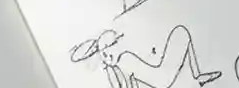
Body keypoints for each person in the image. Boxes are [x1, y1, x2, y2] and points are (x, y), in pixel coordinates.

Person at [70, 26, 223, 88]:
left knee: (181, 32)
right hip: (162, 79)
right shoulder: (120, 64)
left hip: (161, 73)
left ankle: (198, 75)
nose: (108, 57)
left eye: (109, 52)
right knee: (181, 32)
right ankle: (198, 76)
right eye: (105, 55)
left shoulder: (124, 58)